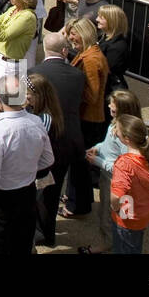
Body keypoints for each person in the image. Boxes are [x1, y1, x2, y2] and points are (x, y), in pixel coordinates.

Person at [0, 74, 54, 255]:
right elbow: (48, 159)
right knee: (22, 246)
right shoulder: (36, 122)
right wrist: (27, 167)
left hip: (1, 200)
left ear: (0, 98)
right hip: (27, 195)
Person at [33, 29, 87, 246]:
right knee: (54, 190)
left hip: (43, 139)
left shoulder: (33, 72)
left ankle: (39, 231)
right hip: (68, 139)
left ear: (45, 49)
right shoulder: (78, 75)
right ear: (65, 51)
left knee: (38, 188)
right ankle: (47, 233)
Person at [80, 88, 141, 255]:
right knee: (104, 211)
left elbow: (124, 169)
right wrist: (98, 148)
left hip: (115, 181)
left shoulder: (127, 137)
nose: (109, 106)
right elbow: (108, 145)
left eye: (113, 105)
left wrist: (98, 161)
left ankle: (108, 244)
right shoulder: (116, 124)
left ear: (124, 109)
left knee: (109, 215)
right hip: (106, 176)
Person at [64, 17, 109, 218]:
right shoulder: (90, 53)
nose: (71, 38)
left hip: (88, 119)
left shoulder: (90, 60)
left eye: (73, 34)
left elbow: (92, 94)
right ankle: (77, 200)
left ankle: (77, 205)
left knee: (79, 165)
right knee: (79, 164)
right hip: (88, 117)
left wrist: (70, 90)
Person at [109, 115, 149, 254]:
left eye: (117, 129)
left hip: (126, 217)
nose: (115, 131)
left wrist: (115, 207)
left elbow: (117, 195)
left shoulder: (125, 164)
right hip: (143, 213)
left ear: (127, 139)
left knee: (123, 248)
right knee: (134, 246)